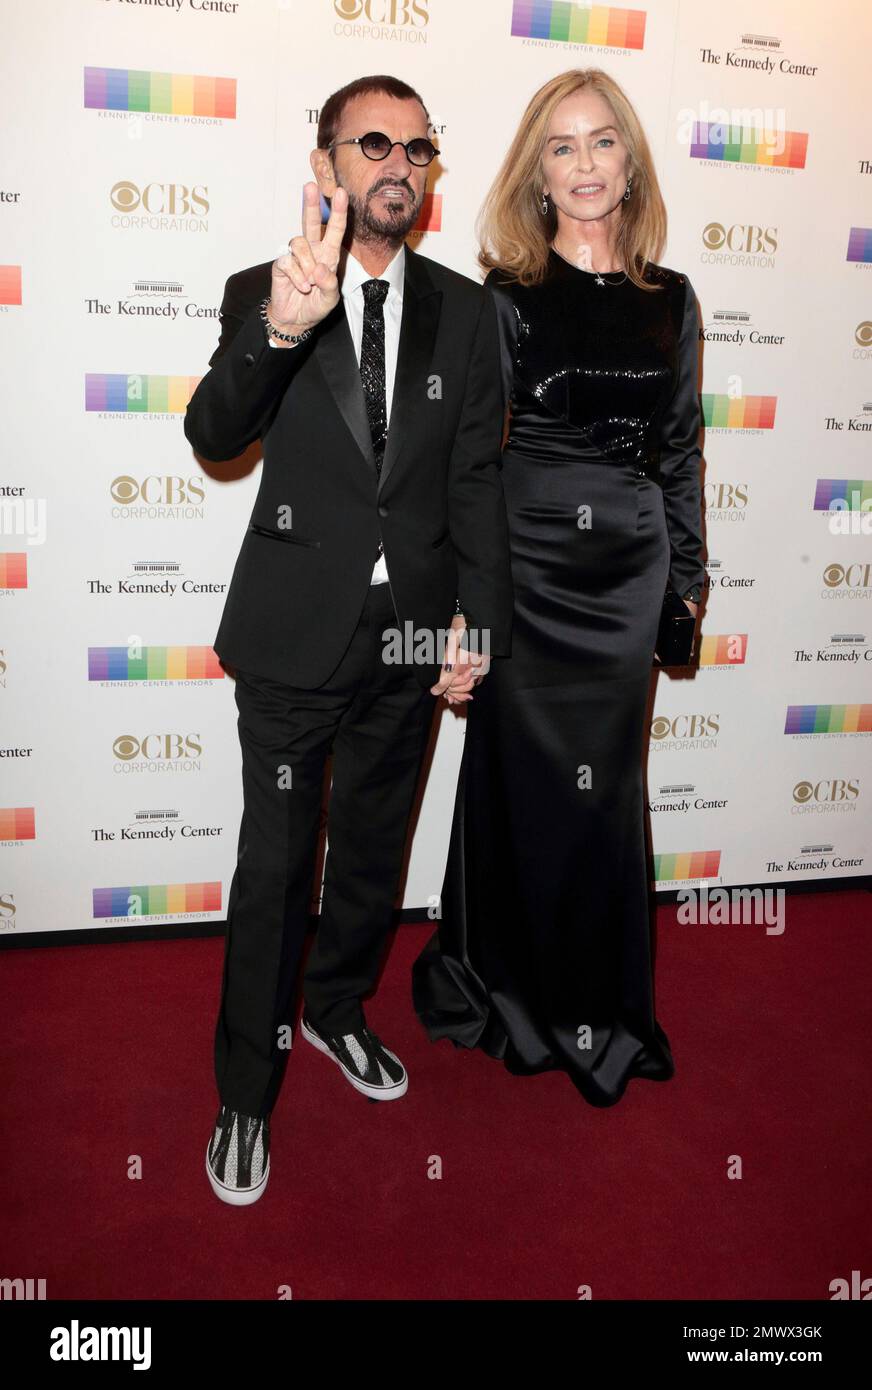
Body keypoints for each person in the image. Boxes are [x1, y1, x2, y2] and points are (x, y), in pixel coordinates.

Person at [184, 74, 512, 1204]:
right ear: (325, 165)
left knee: (373, 844)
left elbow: (474, 479)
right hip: (289, 632)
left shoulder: (467, 315)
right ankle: (244, 1089)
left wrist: (477, 617)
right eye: (372, 143)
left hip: (409, 633)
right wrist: (284, 322)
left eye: (417, 148)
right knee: (276, 865)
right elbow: (214, 432)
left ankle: (331, 1012)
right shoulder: (266, 288)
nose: (397, 165)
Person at [413, 68, 706, 1108]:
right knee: (512, 783)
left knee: (602, 796)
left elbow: (678, 454)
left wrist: (683, 593)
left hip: (625, 580)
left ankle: (602, 1009)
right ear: (536, 173)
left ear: (629, 160)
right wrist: (465, 607)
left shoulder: (670, 300)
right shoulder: (504, 299)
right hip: (525, 571)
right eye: (560, 147)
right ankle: (508, 993)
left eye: (600, 143)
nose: (583, 165)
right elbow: (470, 465)